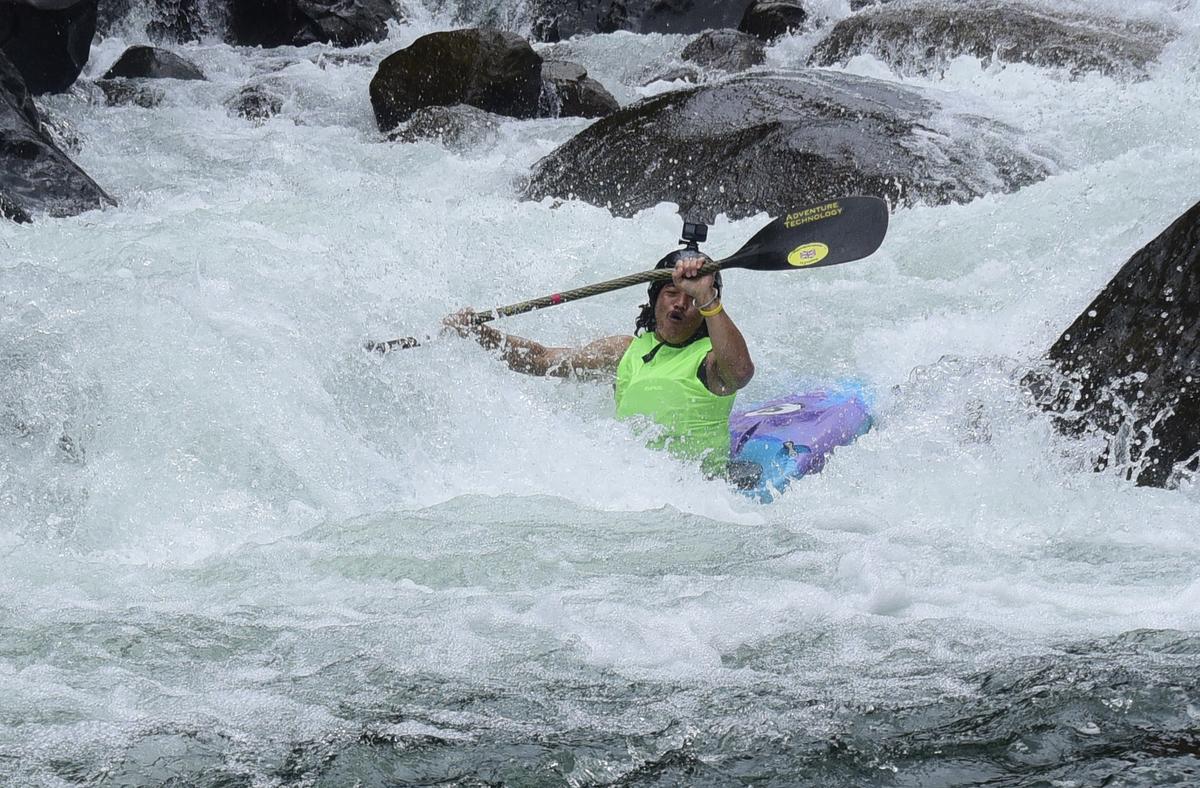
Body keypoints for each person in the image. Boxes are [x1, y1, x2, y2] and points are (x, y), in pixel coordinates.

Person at [443, 251, 755, 475]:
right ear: (654, 300)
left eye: (691, 298)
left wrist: (707, 297)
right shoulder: (624, 351)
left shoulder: (709, 358)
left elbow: (740, 372)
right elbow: (540, 360)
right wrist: (478, 332)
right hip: (631, 484)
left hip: (702, 488)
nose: (680, 303)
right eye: (672, 293)